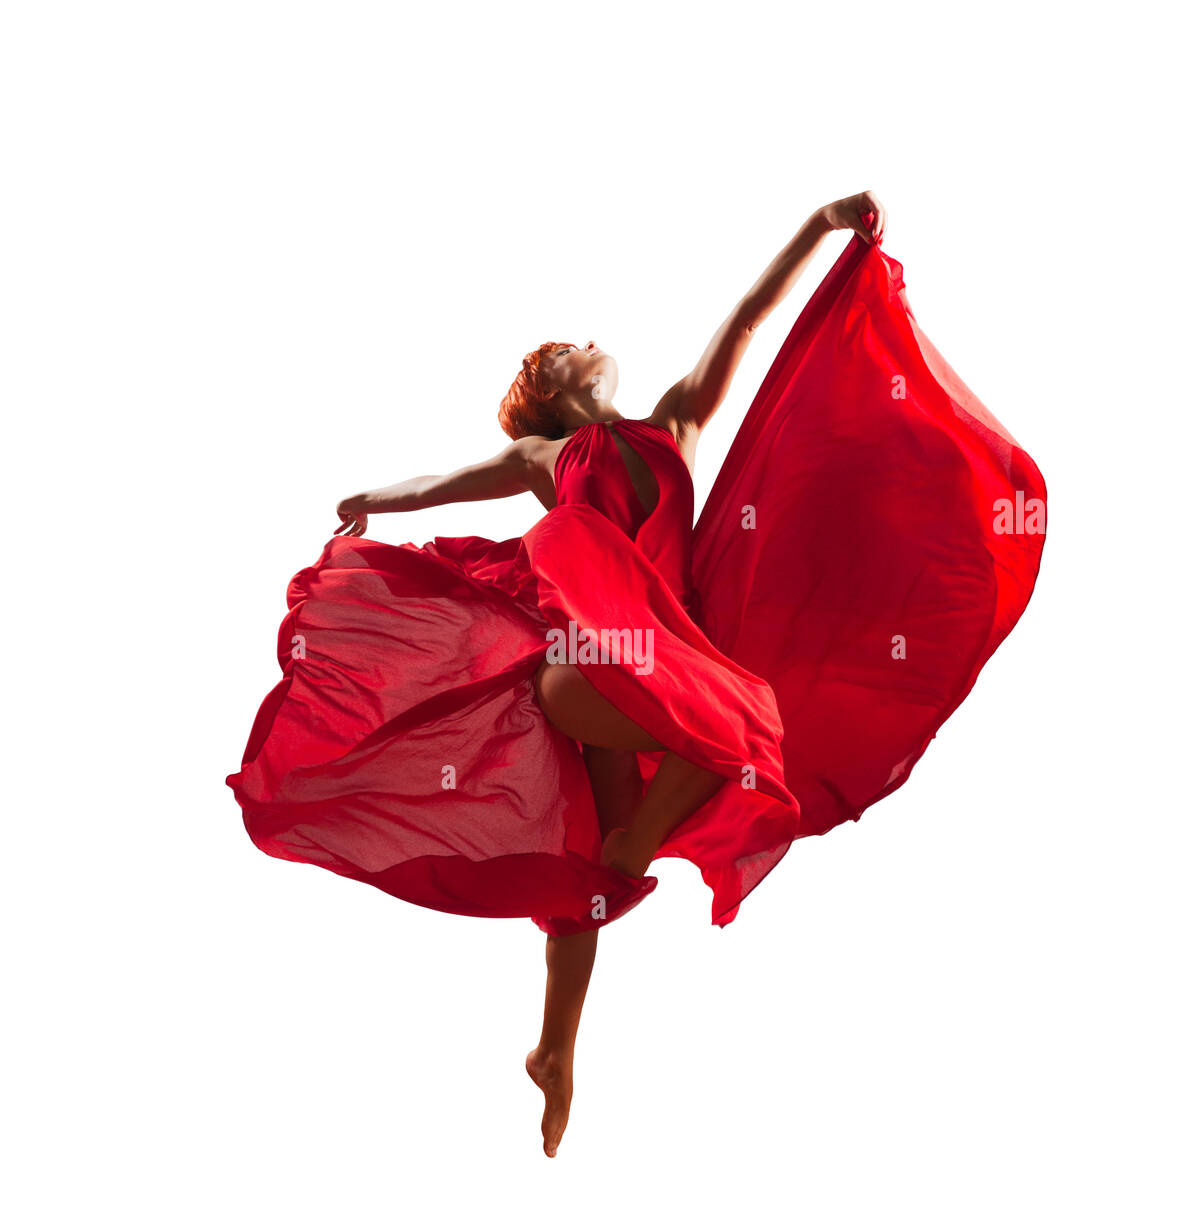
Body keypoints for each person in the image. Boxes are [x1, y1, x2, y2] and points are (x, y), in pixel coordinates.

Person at [228, 190, 1046, 1156]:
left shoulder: (675, 425)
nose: (588, 342)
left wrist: (824, 226)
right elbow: (442, 486)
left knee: (608, 848)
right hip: (580, 661)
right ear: (550, 381)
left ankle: (554, 1048)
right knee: (734, 719)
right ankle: (631, 842)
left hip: (656, 664)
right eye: (568, 345)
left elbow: (746, 321)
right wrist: (371, 497)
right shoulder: (548, 455)